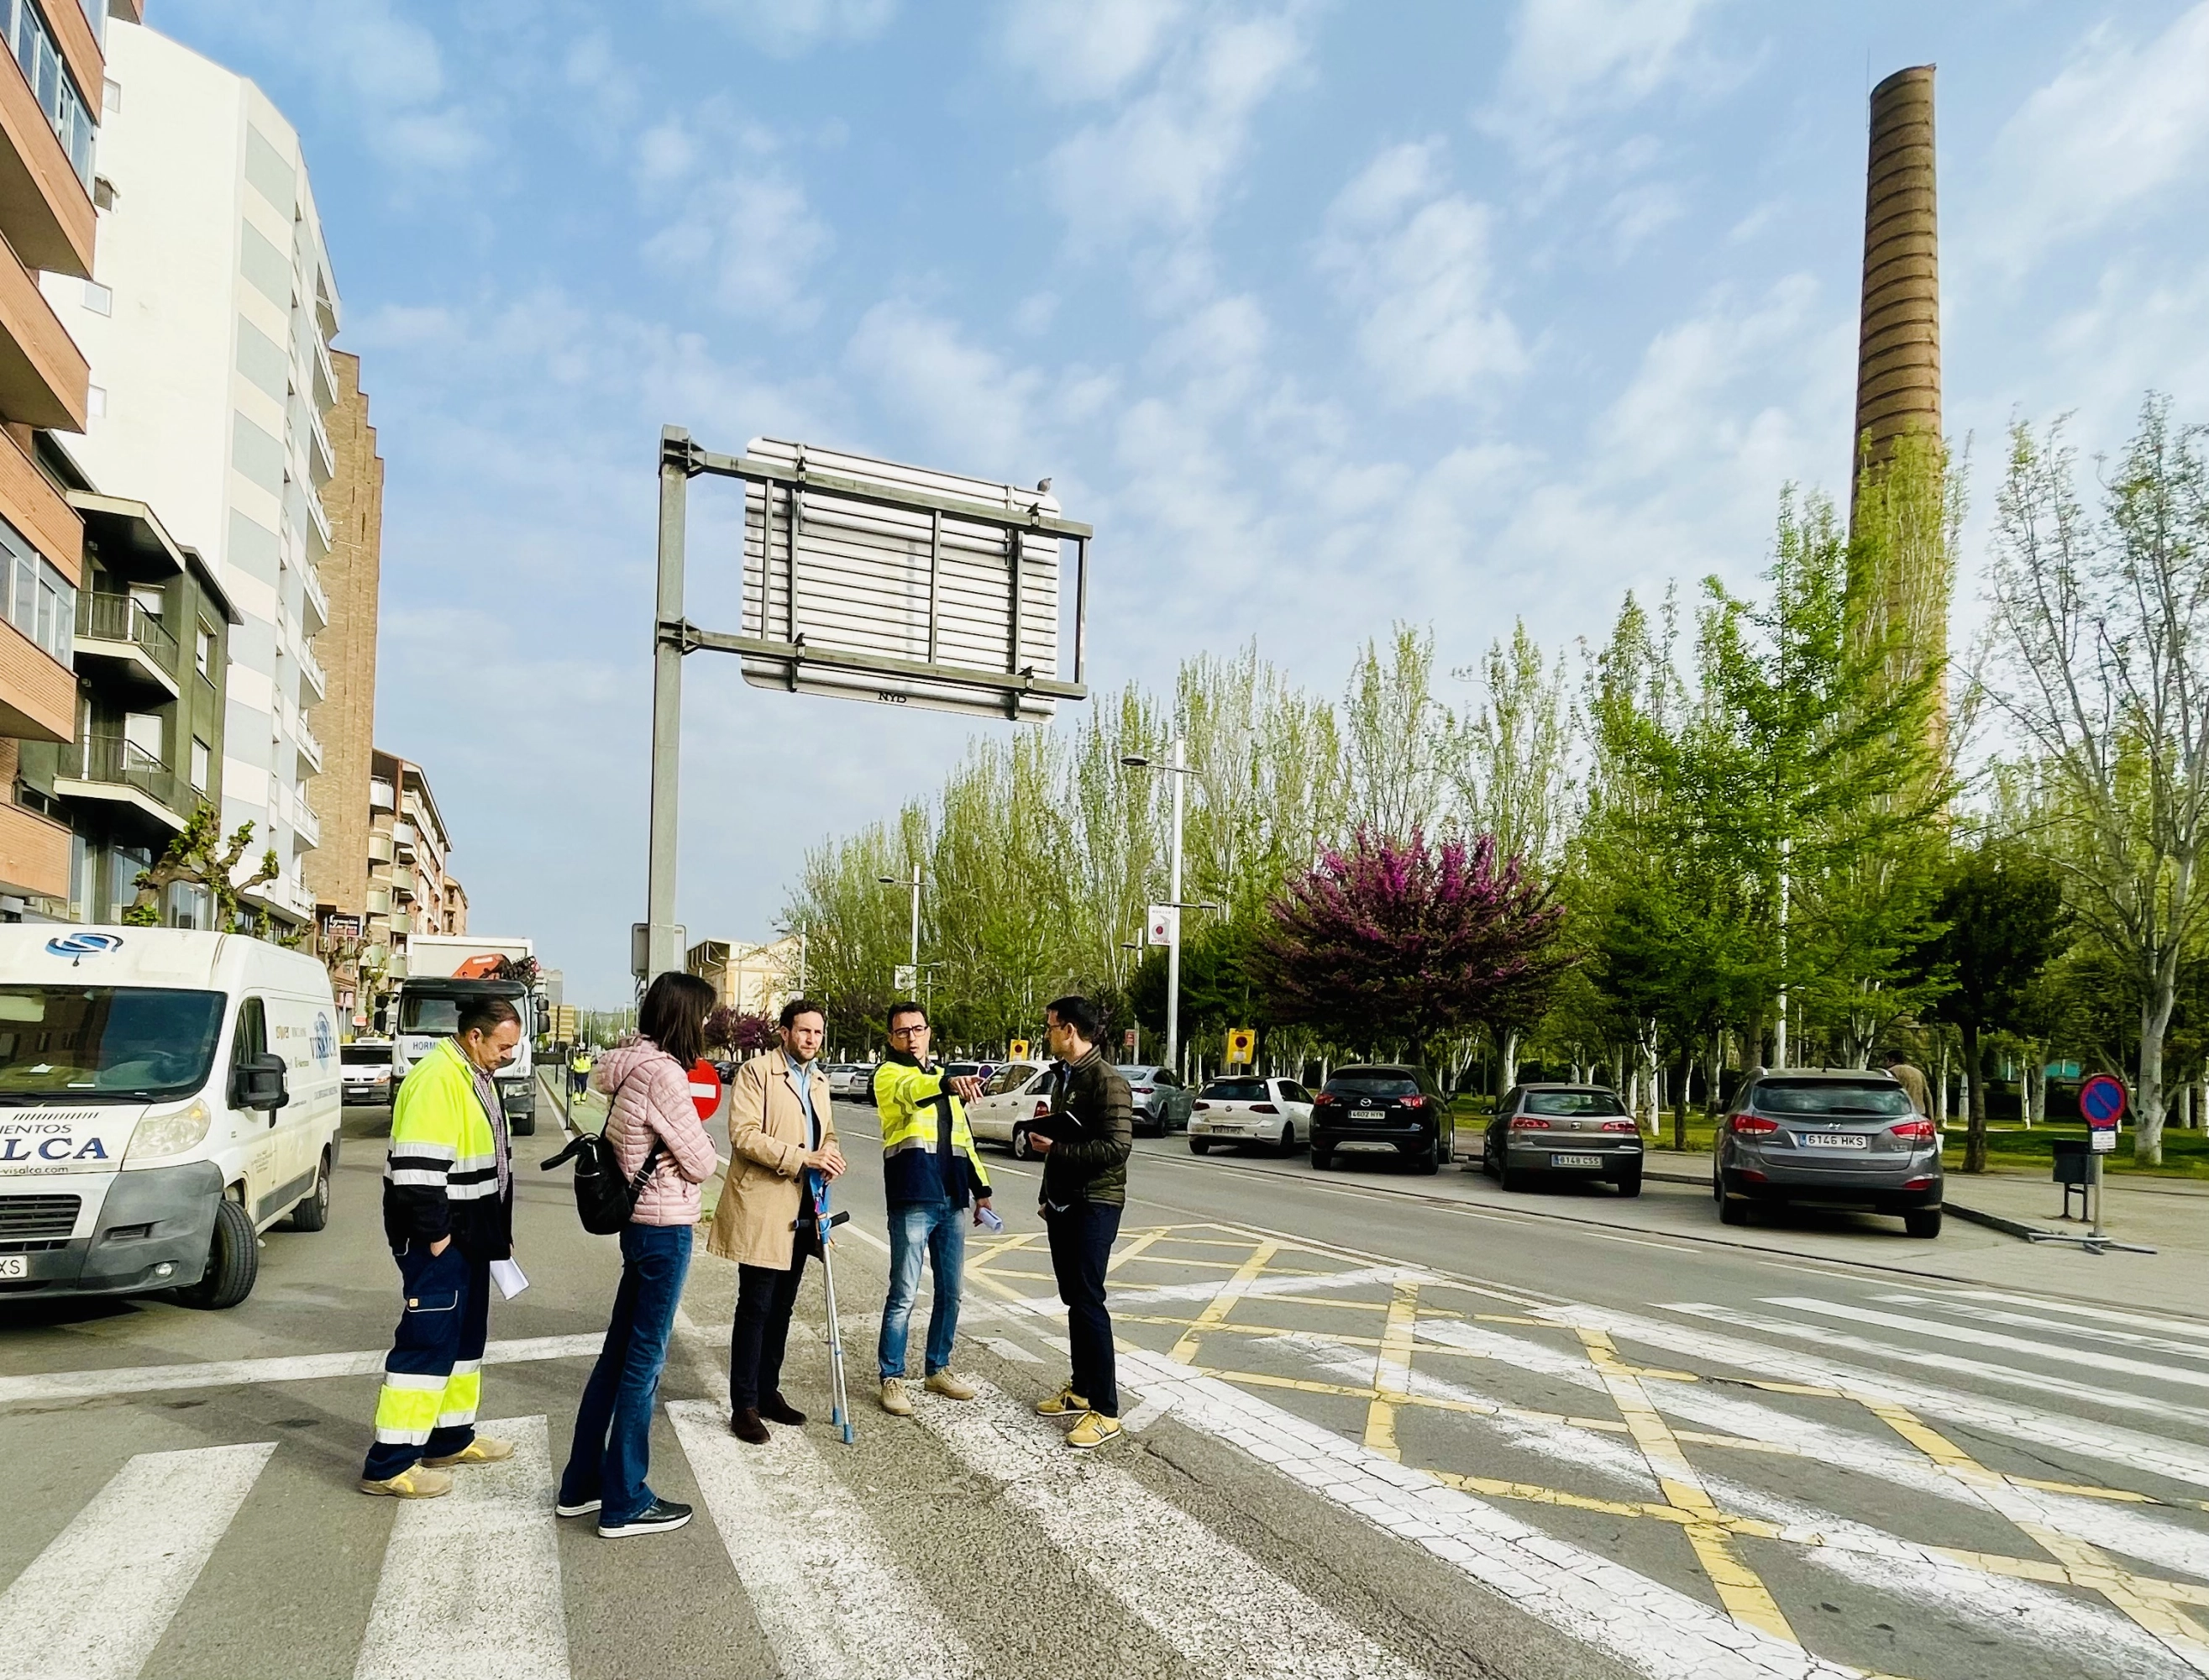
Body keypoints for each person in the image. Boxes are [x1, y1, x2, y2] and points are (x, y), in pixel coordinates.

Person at [557, 972, 721, 1538]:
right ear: (682, 1018)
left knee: (617, 1356)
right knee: (643, 1366)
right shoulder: (665, 1076)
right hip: (664, 1228)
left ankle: (582, 1483)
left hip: (637, 1226)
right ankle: (625, 1499)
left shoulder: (630, 1065)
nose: (706, 1026)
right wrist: (695, 1150)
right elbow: (701, 1162)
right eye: (702, 1016)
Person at [360, 996, 522, 1499]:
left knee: (463, 1342)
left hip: (471, 1237)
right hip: (443, 1239)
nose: (509, 1056)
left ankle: (449, 1438)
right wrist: (436, 1238)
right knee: (427, 1342)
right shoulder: (437, 1078)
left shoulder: (473, 1076)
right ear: (475, 1036)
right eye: (503, 1046)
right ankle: (389, 1465)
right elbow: (416, 1171)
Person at [709, 997, 845, 1444]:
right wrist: (803, 1158)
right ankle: (743, 1405)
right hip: (765, 1204)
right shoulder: (757, 1072)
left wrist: (831, 1156)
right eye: (804, 1031)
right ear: (784, 1032)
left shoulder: (820, 1080)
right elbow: (744, 1136)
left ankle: (768, 1391)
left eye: (818, 1033)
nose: (812, 1039)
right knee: (756, 1307)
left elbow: (826, 1133)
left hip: (806, 1205)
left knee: (783, 1308)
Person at [871, 1001, 991, 1416]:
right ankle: (891, 1376)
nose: (911, 1037)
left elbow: (965, 1139)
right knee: (904, 1292)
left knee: (952, 1293)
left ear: (928, 1032)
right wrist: (946, 1084)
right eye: (902, 1031)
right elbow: (908, 1095)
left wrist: (982, 1188)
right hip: (913, 1196)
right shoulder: (889, 1074)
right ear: (892, 1038)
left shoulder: (943, 1080)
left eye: (918, 1029)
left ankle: (937, 1368)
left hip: (951, 1198)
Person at [1027, 995, 1132, 1452]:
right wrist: (1047, 1196)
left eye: (1051, 1027)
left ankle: (1106, 1410)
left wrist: (1056, 1151)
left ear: (1070, 1030)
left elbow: (1116, 1148)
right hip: (1064, 1202)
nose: (1047, 1034)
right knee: (1074, 1298)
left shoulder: (1108, 1081)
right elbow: (1064, 1134)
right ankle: (1081, 1389)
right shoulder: (1064, 1077)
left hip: (1096, 1203)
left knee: (1089, 1301)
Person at [1882, 1048, 1931, 1116]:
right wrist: (1930, 1116)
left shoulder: (1890, 1072)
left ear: (1891, 1060)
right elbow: (1927, 1096)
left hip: (1899, 1113)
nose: (1883, 1064)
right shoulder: (1918, 1072)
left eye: (1885, 1060)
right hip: (1919, 1112)